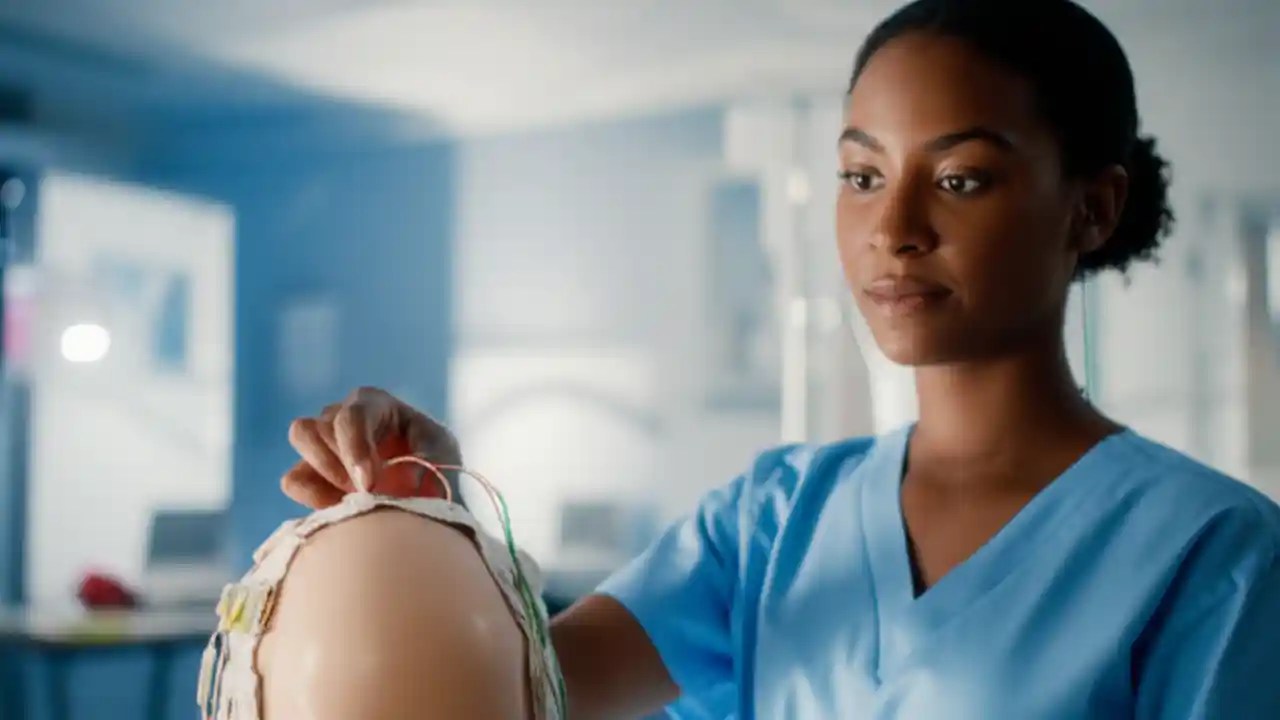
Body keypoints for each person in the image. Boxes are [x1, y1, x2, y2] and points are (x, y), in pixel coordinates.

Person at [281, 0, 1280, 717]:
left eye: (961, 178)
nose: (890, 228)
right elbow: (522, 692)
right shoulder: (771, 518)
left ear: (1090, 206)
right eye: (859, 173)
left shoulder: (1212, 552)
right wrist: (429, 515)